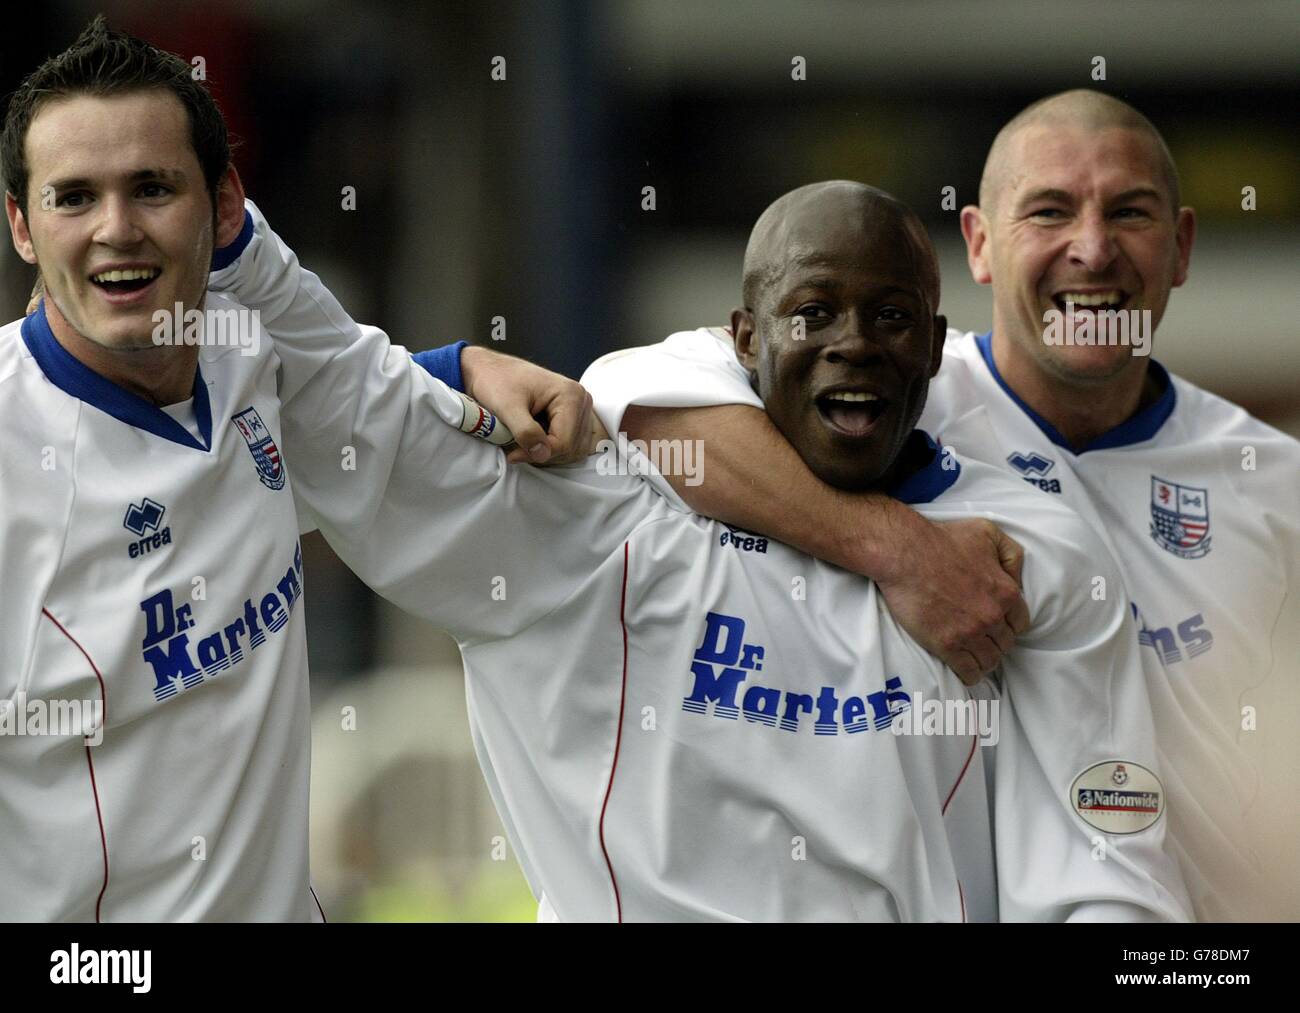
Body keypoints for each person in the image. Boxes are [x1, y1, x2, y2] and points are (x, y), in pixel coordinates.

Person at [213, 180, 1191, 921]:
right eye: (811, 314)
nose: (853, 344)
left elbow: (1102, 869)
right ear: (741, 340)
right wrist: (257, 258)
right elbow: (359, 401)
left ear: (935, 346)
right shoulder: (597, 502)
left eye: (890, 318)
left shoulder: (1026, 555)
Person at [579, 91, 1300, 921]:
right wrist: (893, 544)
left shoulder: (1272, 483)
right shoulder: (883, 387)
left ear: (1180, 247)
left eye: (1129, 213)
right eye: (1050, 211)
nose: (1092, 249)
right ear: (982, 245)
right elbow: (626, 394)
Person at [0, 16, 593, 920]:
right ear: (23, 228)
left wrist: (459, 365)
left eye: (152, 188)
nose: (115, 229)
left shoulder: (255, 362)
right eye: (72, 198)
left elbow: (361, 387)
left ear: (224, 206)